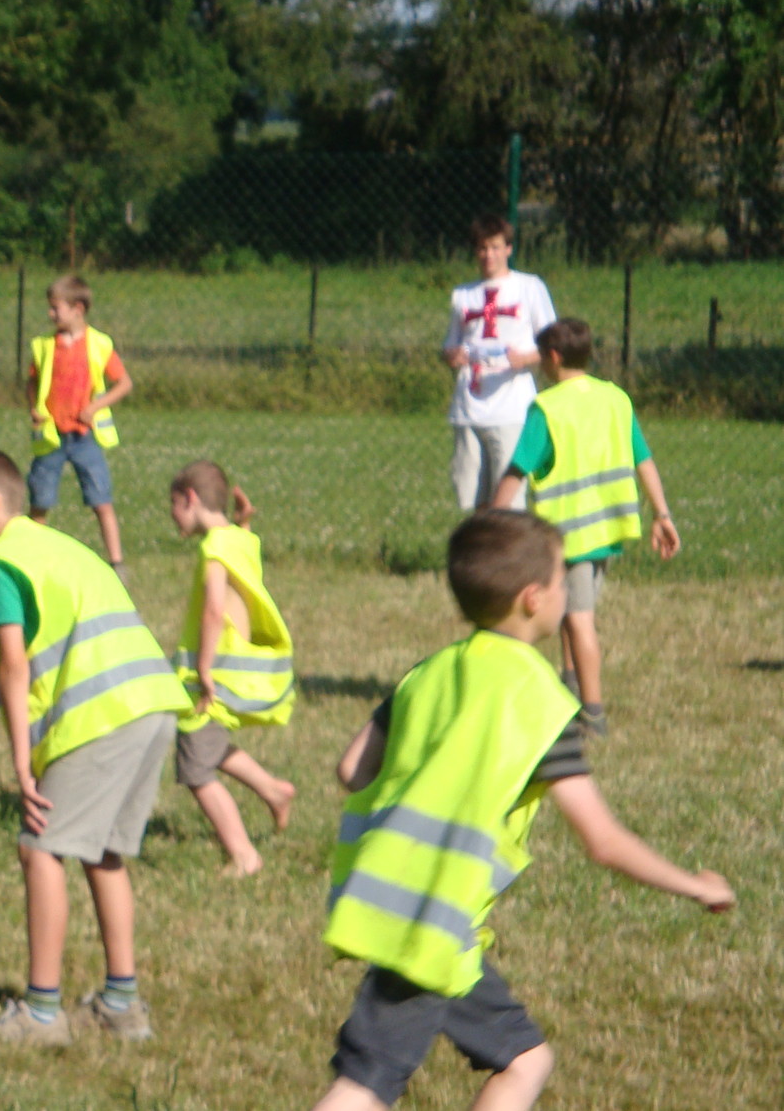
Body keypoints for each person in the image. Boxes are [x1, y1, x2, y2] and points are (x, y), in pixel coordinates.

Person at [311, 510, 732, 1111]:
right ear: (534, 599)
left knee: (525, 1059)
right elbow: (603, 842)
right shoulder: (540, 702)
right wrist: (694, 885)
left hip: (410, 909)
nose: (568, 590)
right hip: (429, 918)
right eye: (563, 579)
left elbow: (351, 768)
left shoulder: (427, 673)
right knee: (364, 1086)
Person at [0, 449, 179, 1045]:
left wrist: (21, 761)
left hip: (97, 717)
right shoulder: (58, 544)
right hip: (150, 705)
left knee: (39, 849)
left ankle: (42, 1014)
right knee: (102, 853)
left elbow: (14, 668)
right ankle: (121, 1005)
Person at [489, 318, 678, 735]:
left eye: (542, 358)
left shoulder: (548, 409)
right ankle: (570, 684)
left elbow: (517, 470)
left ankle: (593, 713)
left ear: (554, 357)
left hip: (571, 534)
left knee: (578, 619)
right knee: (574, 612)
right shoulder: (615, 398)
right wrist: (662, 515)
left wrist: (489, 522)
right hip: (608, 530)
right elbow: (642, 458)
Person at [167, 460, 297, 876]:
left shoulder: (214, 550)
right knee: (209, 746)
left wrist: (203, 669)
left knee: (195, 770)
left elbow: (213, 611)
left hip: (212, 675)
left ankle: (243, 854)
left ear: (190, 498)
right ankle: (272, 791)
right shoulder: (241, 541)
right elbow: (241, 541)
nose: (171, 515)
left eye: (174, 505)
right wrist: (244, 521)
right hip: (232, 673)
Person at [441, 216, 556, 509]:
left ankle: (509, 553)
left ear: (508, 249)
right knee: (470, 495)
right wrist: (452, 356)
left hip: (511, 408)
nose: (487, 255)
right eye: (481, 248)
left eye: (494, 247)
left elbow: (553, 343)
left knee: (507, 497)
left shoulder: (529, 287)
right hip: (469, 406)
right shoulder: (463, 294)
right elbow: (450, 344)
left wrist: (525, 358)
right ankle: (480, 553)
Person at [27, 275, 133, 575]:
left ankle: (116, 563)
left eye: (54, 308)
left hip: (85, 437)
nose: (50, 314)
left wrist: (95, 407)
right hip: (52, 436)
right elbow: (32, 382)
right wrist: (34, 408)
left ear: (78, 308)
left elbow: (124, 383)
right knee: (41, 500)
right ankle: (34, 559)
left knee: (101, 498)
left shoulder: (99, 345)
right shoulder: (45, 346)